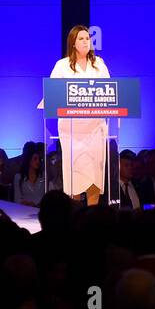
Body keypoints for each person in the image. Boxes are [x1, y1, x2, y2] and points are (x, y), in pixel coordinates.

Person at [41, 25, 110, 200]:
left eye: (88, 38)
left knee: (95, 174)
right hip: (72, 131)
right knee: (75, 175)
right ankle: (75, 216)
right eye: (81, 38)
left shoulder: (99, 65)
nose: (86, 41)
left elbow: (111, 92)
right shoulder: (62, 66)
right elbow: (52, 95)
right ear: (73, 43)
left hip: (95, 129)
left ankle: (93, 216)